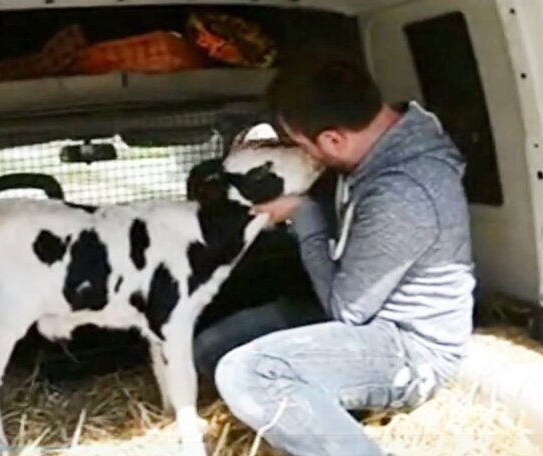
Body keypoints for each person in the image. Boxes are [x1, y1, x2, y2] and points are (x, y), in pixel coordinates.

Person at [192, 48, 476, 456]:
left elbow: (346, 311)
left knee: (248, 374)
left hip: (408, 351)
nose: (305, 155)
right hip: (365, 321)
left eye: (304, 145)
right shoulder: (373, 153)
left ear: (333, 139)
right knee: (211, 350)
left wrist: (303, 215)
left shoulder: (404, 194)